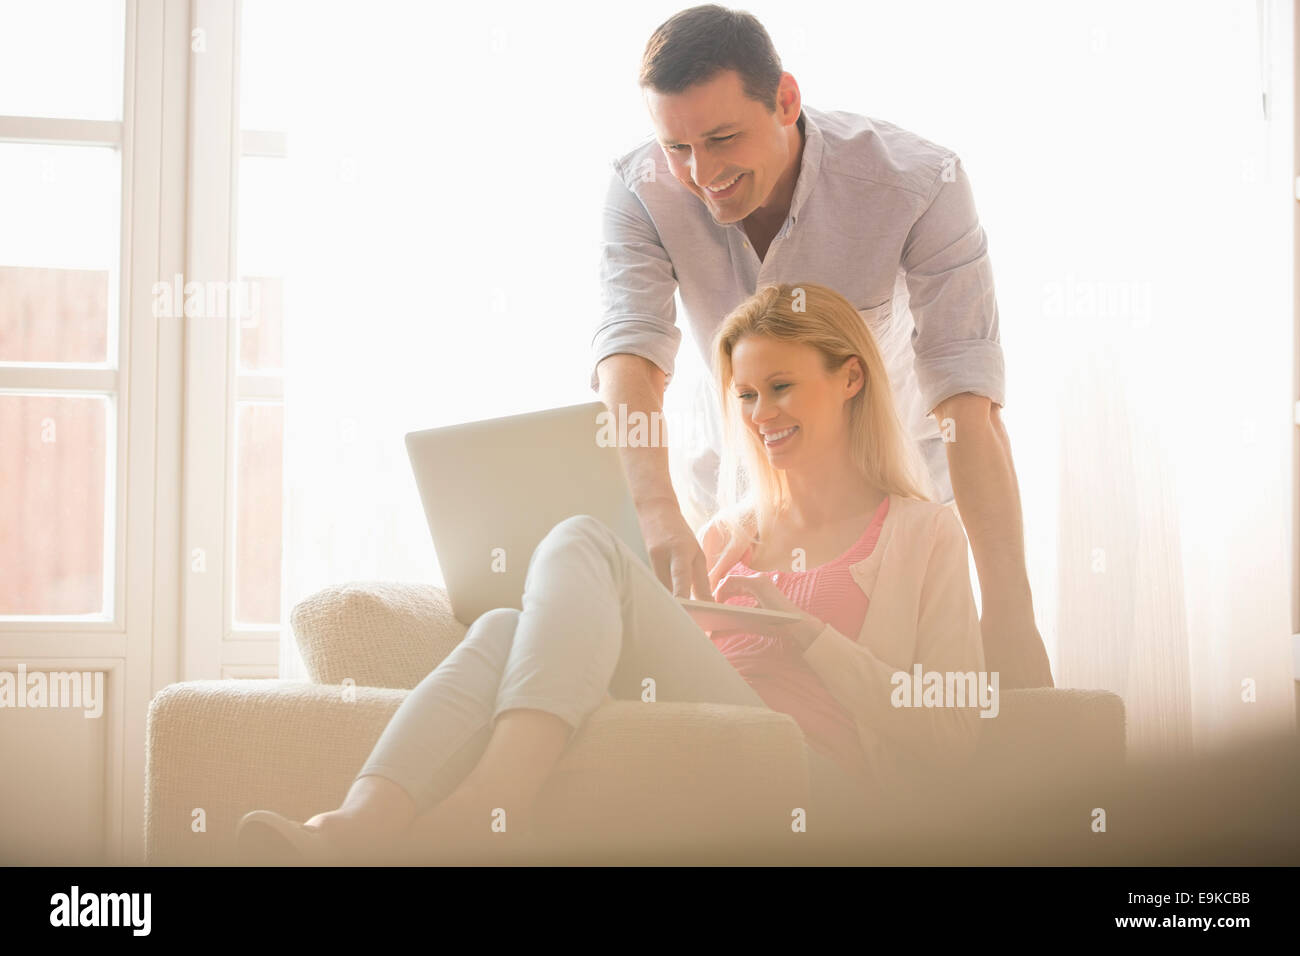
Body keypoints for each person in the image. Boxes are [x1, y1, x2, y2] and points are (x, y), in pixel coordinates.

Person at [235, 281, 985, 865]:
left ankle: (496, 800)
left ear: (851, 378)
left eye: (782, 387)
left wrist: (808, 635)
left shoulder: (924, 533)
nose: (760, 413)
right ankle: (352, 827)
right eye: (747, 394)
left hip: (813, 774)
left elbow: (953, 735)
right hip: (678, 732)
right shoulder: (724, 537)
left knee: (583, 541)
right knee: (504, 625)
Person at [593, 4, 1053, 689]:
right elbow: (631, 359)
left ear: (786, 100)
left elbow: (968, 398)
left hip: (888, 513)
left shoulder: (919, 184)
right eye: (678, 147)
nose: (701, 171)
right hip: (730, 507)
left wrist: (1011, 616)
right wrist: (657, 515)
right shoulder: (641, 188)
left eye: (723, 138)